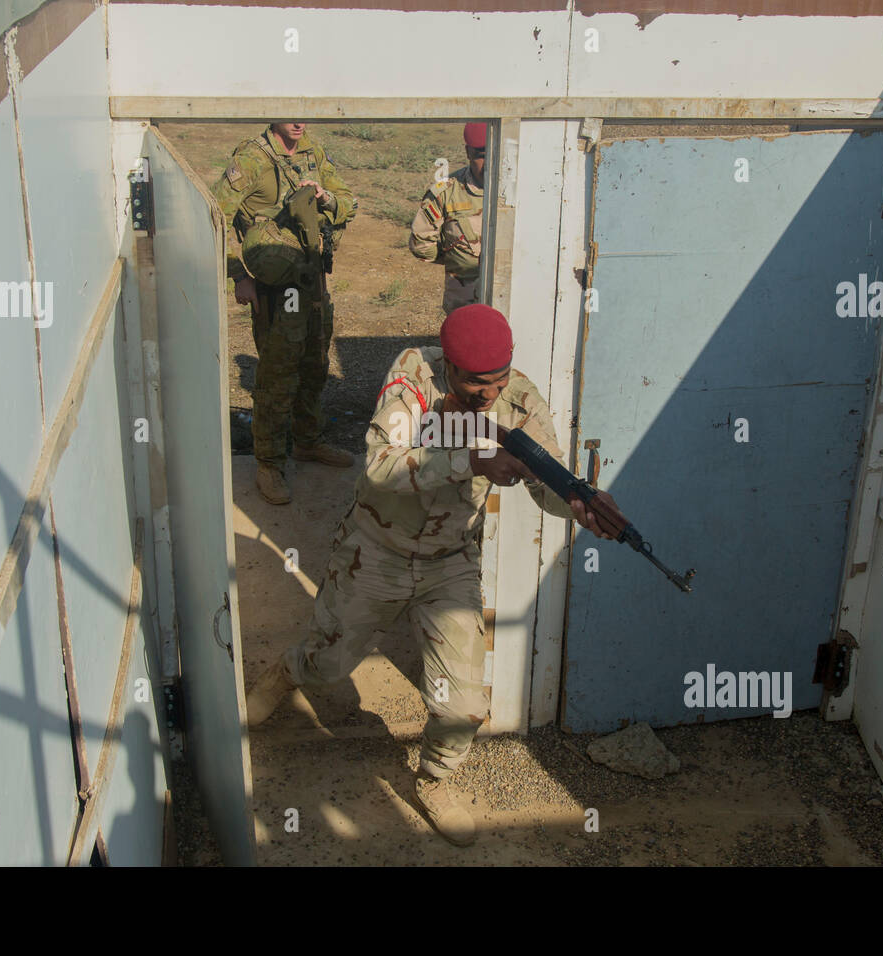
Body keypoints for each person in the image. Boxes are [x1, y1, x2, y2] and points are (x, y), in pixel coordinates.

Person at [244, 304, 619, 846]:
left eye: (497, 382)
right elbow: (378, 467)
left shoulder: (520, 401)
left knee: (464, 704)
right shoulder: (412, 378)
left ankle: (435, 779)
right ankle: (289, 672)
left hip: (450, 564)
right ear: (449, 369)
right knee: (328, 664)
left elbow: (545, 483)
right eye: (475, 384)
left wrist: (579, 505)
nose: (488, 396)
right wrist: (470, 461)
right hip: (375, 549)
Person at [213, 122, 359, 505]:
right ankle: (269, 463)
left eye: (304, 109)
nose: (298, 120)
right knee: (278, 374)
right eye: (289, 108)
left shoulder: (312, 151)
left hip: (313, 282)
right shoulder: (252, 158)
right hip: (278, 290)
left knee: (315, 366)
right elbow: (214, 216)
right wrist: (238, 276)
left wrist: (327, 201)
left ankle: (308, 442)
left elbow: (349, 204)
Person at [409, 122, 486, 313]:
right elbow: (421, 244)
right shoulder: (445, 192)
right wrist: (456, 259)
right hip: (465, 300)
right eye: (481, 156)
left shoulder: (524, 192)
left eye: (497, 154)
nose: (490, 163)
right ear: (468, 153)